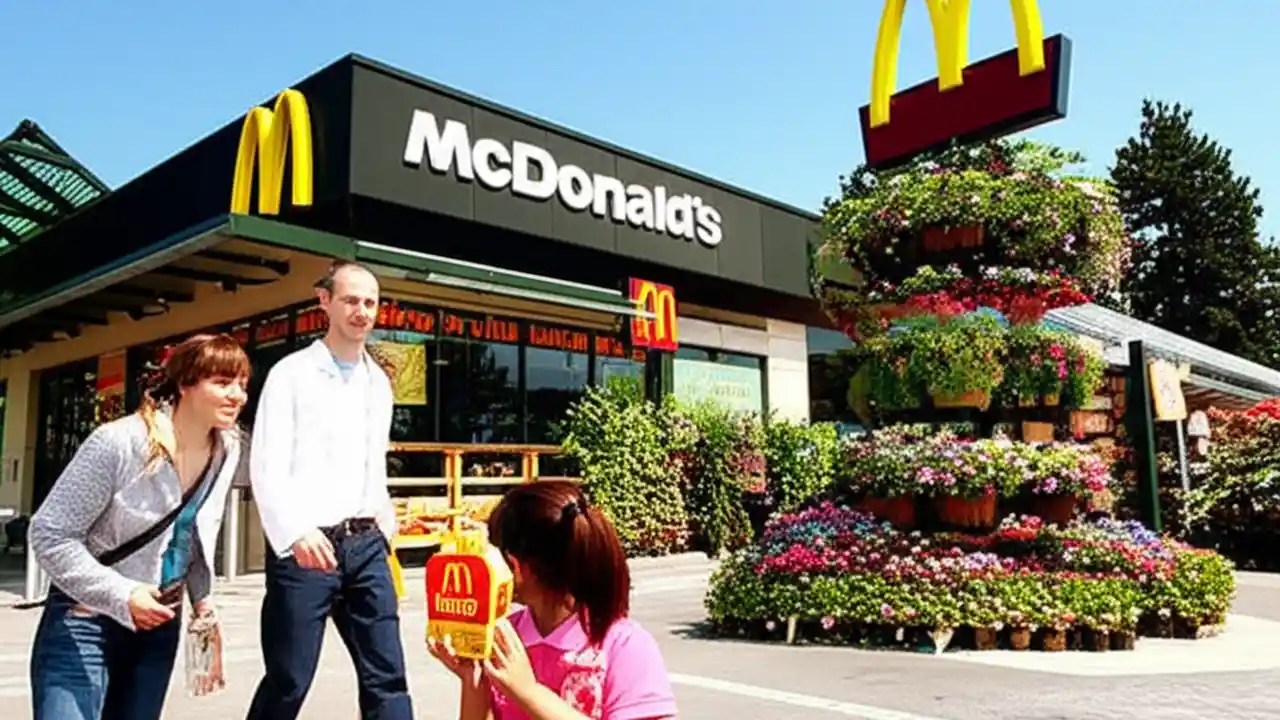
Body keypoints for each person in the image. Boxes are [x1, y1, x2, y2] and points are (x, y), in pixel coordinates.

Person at [27, 333, 251, 720]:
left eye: (243, 385)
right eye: (222, 382)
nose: (237, 395)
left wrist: (202, 599)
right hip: (86, 620)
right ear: (185, 384)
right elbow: (50, 533)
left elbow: (191, 529)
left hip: (158, 623)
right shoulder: (120, 442)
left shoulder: (226, 449)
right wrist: (122, 593)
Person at [246, 260, 412, 720]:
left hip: (366, 545)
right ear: (325, 302)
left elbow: (372, 461)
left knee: (387, 676)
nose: (362, 311)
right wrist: (295, 531)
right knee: (289, 678)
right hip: (306, 547)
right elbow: (266, 463)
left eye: (370, 303)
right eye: (351, 300)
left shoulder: (378, 382)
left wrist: (385, 524)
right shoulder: (291, 374)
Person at [428, 481, 678, 720]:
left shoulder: (625, 645)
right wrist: (475, 681)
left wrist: (529, 692)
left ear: (514, 566)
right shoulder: (502, 636)